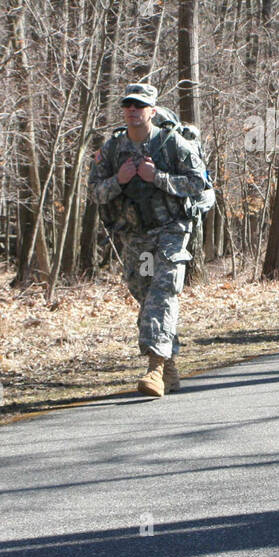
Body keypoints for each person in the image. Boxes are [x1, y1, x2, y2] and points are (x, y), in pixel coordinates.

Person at [88, 83, 209, 398]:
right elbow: (96, 192)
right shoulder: (113, 149)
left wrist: (158, 178)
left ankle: (154, 371)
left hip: (172, 230)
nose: (132, 110)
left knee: (163, 292)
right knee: (146, 297)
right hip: (136, 235)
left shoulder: (172, 144)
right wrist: (120, 180)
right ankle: (168, 367)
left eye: (139, 106)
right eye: (128, 105)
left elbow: (198, 184)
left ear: (151, 111)